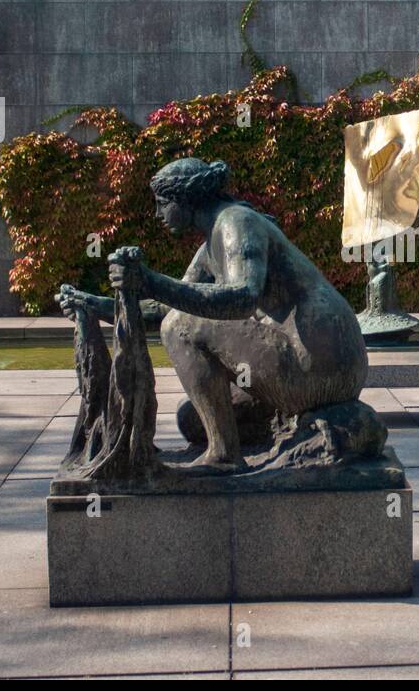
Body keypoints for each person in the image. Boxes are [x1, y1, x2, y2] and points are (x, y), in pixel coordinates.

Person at [57, 158, 368, 469]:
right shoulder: (210, 246)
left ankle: (223, 455)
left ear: (188, 199)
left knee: (177, 327)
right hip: (313, 362)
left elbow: (242, 298)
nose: (157, 214)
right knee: (191, 420)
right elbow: (165, 305)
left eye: (163, 203)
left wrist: (151, 281)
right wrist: (95, 305)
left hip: (320, 364)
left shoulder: (236, 223)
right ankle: (258, 438)